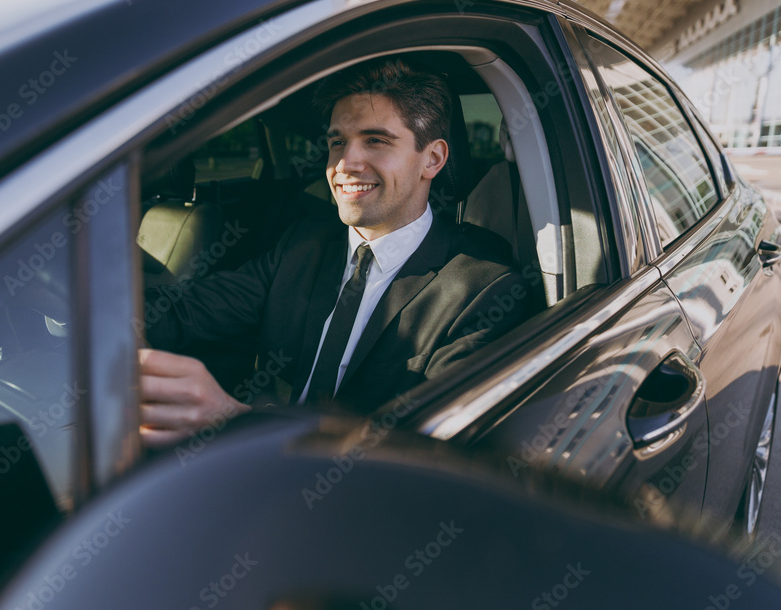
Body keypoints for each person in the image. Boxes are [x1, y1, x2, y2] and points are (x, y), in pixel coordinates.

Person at [138, 57, 532, 448]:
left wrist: (238, 420)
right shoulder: (304, 243)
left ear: (432, 159)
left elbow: (428, 449)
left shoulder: (483, 289)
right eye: (337, 142)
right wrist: (98, 333)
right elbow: (183, 311)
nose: (345, 163)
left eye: (375, 140)